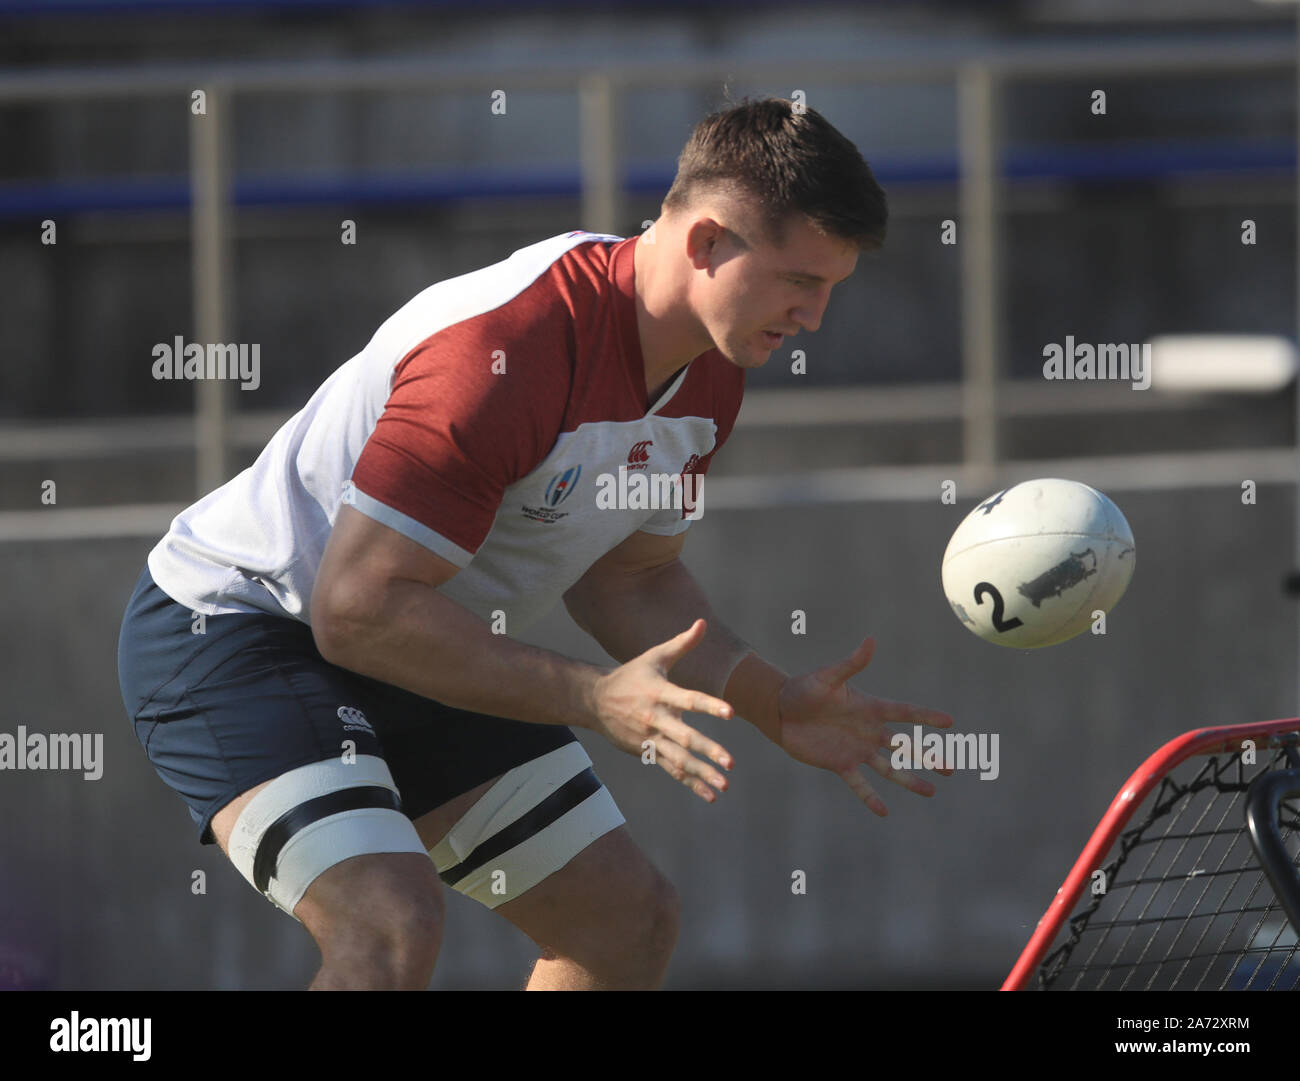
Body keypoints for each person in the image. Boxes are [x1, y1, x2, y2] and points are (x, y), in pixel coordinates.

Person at [117, 97, 953, 991]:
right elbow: (352, 611)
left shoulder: (713, 366)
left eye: (831, 286)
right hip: (238, 632)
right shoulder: (500, 353)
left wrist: (771, 698)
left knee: (625, 922)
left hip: (419, 633)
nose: (815, 317)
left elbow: (630, 579)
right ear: (707, 243)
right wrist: (595, 696)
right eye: (801, 281)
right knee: (388, 922)